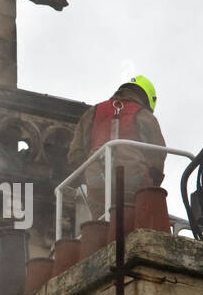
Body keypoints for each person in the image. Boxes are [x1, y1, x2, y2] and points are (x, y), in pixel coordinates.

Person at [65, 75, 166, 222]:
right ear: (148, 98)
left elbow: (75, 156)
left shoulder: (91, 113)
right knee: (134, 226)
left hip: (97, 185)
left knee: (102, 229)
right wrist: (153, 185)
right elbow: (158, 157)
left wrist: (87, 174)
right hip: (134, 186)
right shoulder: (145, 116)